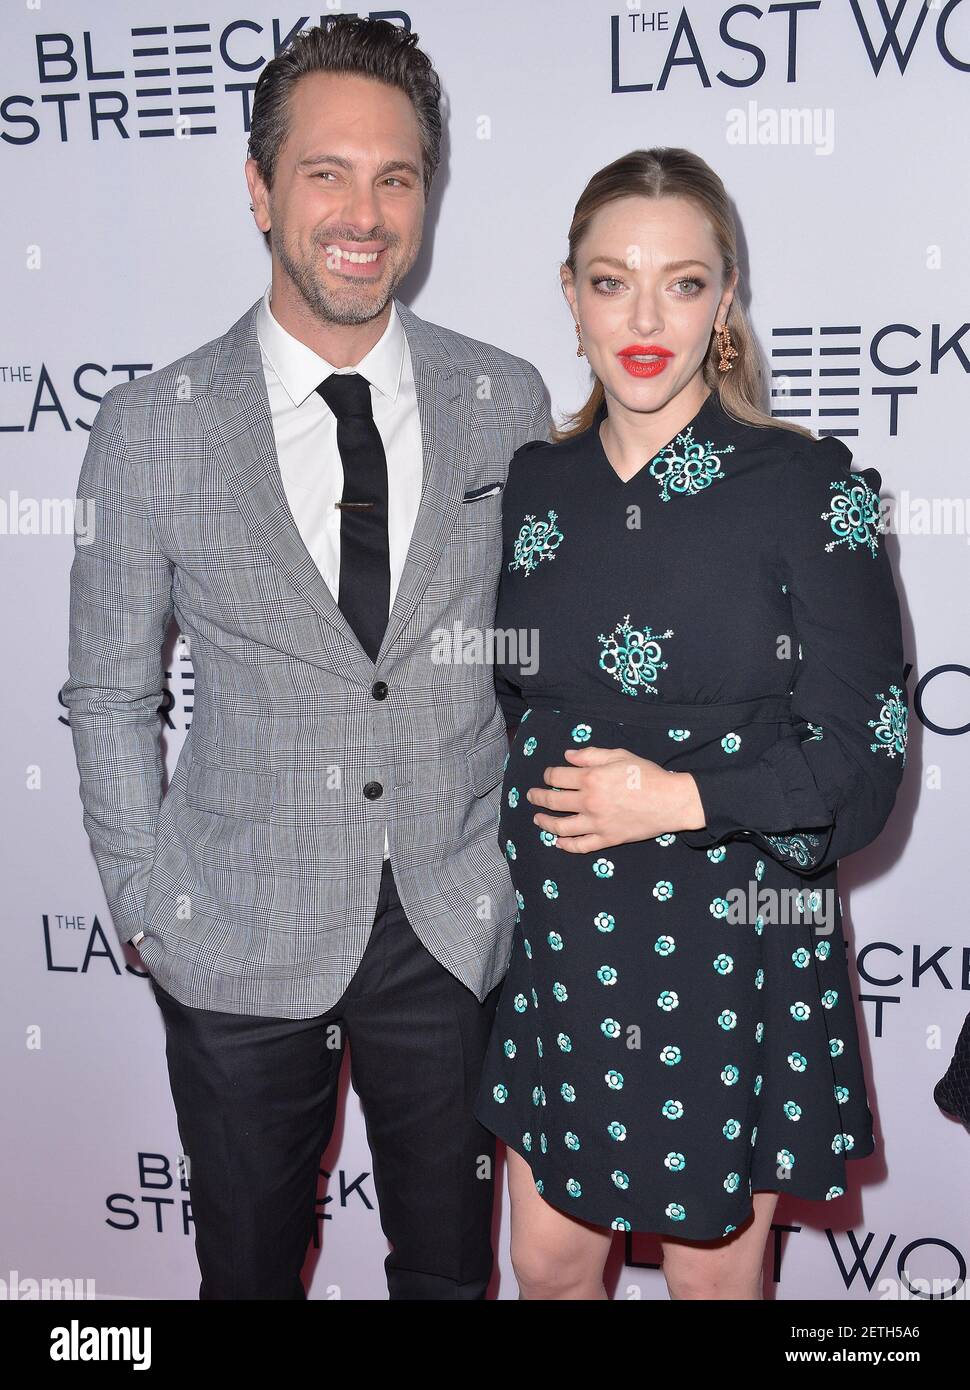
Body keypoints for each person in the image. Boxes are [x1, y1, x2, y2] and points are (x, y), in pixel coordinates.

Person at [60, 17, 551, 1300]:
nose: (365, 213)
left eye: (397, 178)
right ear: (259, 186)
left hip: (451, 927)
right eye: (327, 172)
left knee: (449, 1275)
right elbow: (110, 691)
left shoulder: (503, 399)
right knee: (249, 1276)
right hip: (231, 928)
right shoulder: (145, 430)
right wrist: (142, 899)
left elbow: (540, 656)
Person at [474, 147, 907, 1301]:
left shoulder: (812, 485)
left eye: (681, 281)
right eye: (612, 281)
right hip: (564, 942)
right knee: (548, 1266)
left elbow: (864, 759)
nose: (644, 315)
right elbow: (517, 701)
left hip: (725, 942)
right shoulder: (535, 483)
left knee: (712, 1284)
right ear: (569, 295)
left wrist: (678, 799)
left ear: (724, 300)